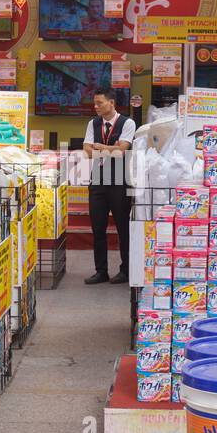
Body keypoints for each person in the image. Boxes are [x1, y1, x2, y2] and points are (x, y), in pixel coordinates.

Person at [83, 87, 134, 285]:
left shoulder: (127, 122)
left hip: (120, 183)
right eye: (95, 103)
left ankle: (126, 270)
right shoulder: (93, 123)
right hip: (97, 182)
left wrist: (102, 148)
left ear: (111, 103)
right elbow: (87, 151)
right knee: (98, 228)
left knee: (123, 228)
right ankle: (101, 270)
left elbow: (123, 151)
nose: (96, 107)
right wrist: (110, 150)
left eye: (100, 103)